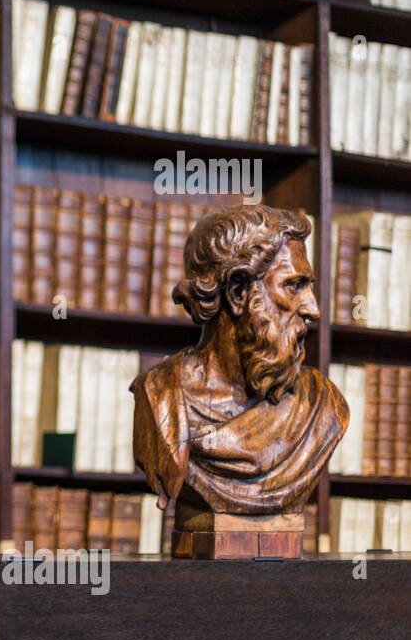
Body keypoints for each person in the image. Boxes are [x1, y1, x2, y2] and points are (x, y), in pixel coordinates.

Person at [132, 205, 348, 517]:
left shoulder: (323, 405)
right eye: (294, 286)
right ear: (237, 292)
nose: (312, 308)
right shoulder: (160, 395)